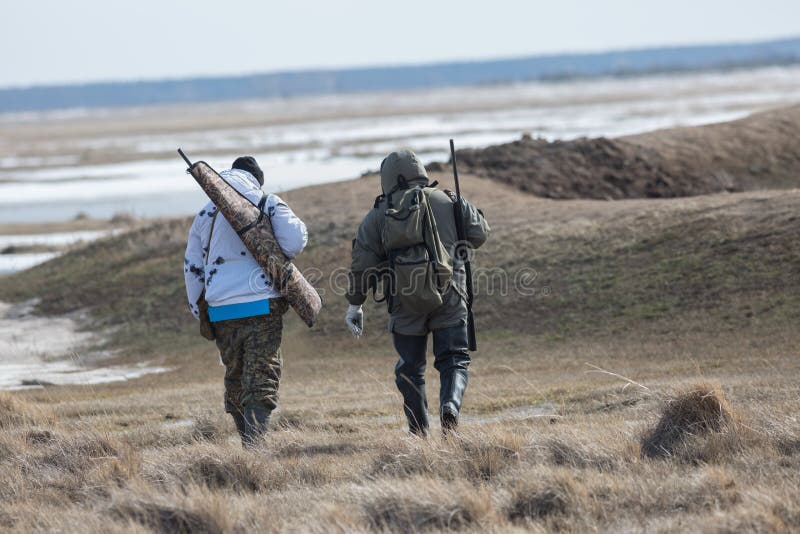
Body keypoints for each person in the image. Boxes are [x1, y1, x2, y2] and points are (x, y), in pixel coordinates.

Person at [345, 149, 490, 435]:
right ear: (419, 171)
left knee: (410, 369)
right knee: (455, 360)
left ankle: (418, 431)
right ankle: (450, 406)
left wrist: (355, 305)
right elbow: (480, 234)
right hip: (450, 294)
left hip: (404, 300)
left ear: (388, 178)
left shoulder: (377, 215)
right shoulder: (448, 199)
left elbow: (362, 266)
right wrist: (461, 208)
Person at [183, 156, 308, 447]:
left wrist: (199, 310)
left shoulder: (206, 212)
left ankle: (248, 444)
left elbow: (192, 267)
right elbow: (295, 241)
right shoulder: (267, 203)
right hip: (262, 304)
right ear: (256, 179)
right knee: (262, 374)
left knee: (236, 376)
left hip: (220, 310)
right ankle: (256, 450)